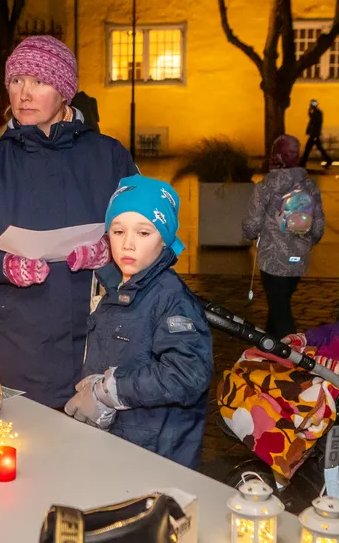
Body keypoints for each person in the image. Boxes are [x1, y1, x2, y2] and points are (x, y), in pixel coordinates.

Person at [0, 35, 138, 409]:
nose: (24, 94)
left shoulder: (109, 156)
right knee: (24, 452)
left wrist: (110, 252)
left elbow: (152, 235)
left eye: (39, 82)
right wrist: (3, 265)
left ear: (65, 91)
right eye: (16, 81)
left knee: (92, 456)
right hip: (17, 342)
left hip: (97, 339)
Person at [63, 175, 213, 469]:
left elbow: (188, 373)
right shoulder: (116, 289)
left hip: (157, 455)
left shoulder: (171, 299)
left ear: (165, 238)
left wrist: (111, 391)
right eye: (118, 231)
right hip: (119, 447)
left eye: (144, 233)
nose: (128, 244)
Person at [219, 297, 339, 479]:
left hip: (330, 375)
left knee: (313, 392)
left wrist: (332, 366)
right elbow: (327, 333)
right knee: (259, 357)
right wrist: (302, 340)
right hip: (310, 363)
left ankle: (269, 426)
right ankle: (249, 398)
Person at [242, 135, 325, 339]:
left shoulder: (265, 187)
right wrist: (306, 243)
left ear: (276, 156)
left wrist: (251, 235)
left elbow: (251, 225)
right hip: (298, 260)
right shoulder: (310, 186)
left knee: (281, 311)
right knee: (279, 303)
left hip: (273, 260)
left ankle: (293, 353)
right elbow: (319, 225)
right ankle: (269, 345)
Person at [301, 99, 332, 168]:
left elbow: (316, 124)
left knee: (308, 148)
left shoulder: (317, 113)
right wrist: (309, 112)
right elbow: (312, 119)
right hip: (315, 134)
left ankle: (303, 163)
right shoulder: (316, 112)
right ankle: (329, 160)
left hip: (314, 134)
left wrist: (314, 134)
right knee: (318, 148)